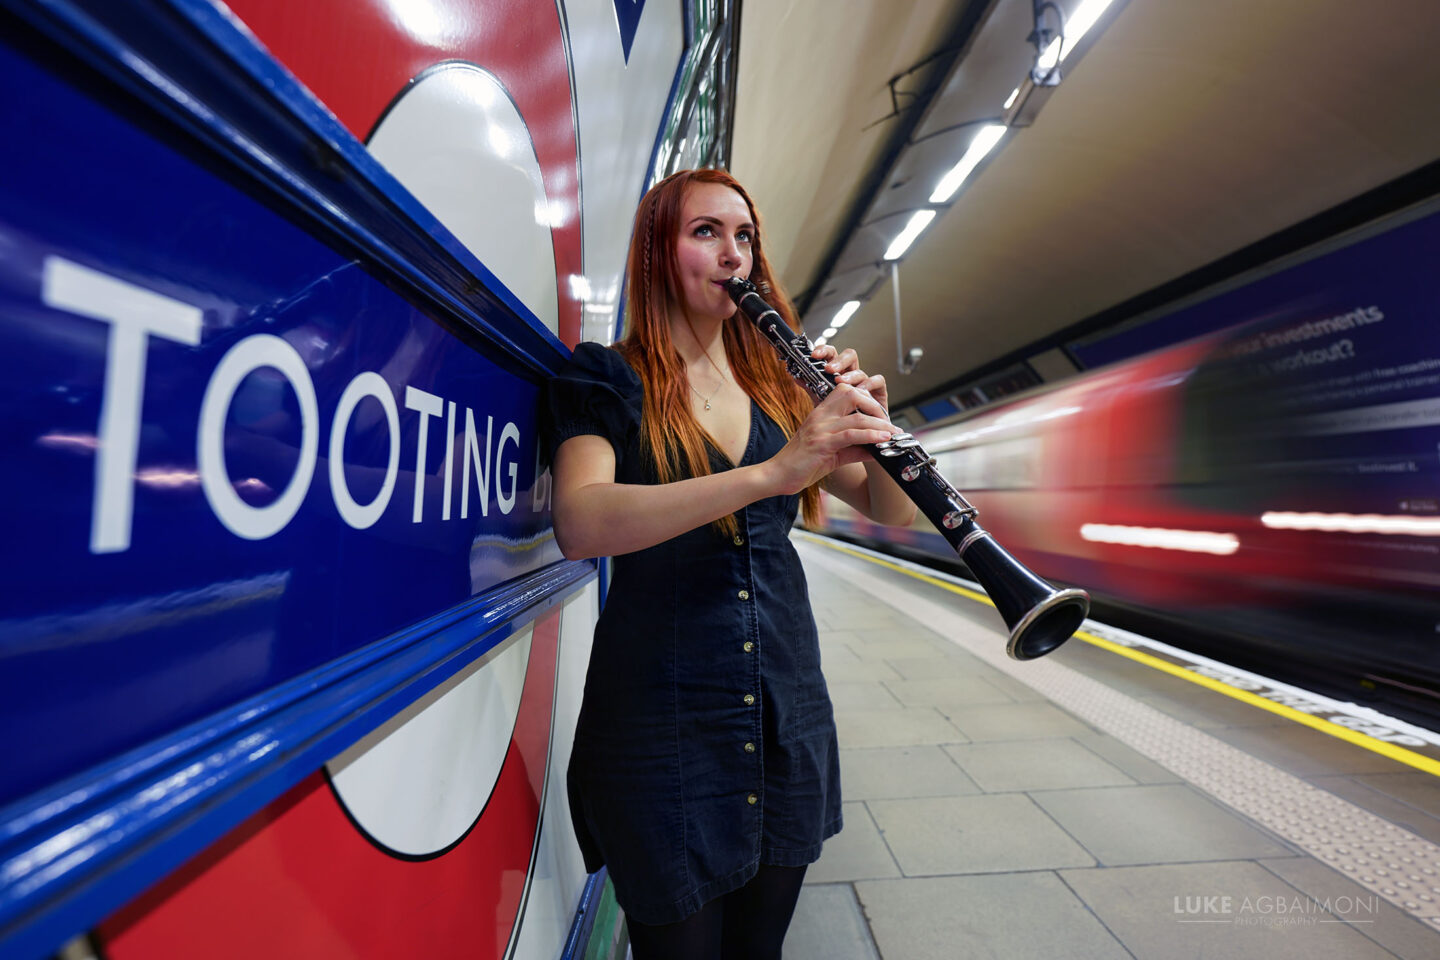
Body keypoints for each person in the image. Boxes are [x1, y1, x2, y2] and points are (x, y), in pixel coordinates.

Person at [541, 169, 915, 959]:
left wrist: (877, 431)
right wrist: (776, 473)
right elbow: (582, 521)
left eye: (744, 236)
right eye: (705, 232)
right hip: (661, 724)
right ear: (657, 253)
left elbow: (889, 509)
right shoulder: (606, 377)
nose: (733, 254)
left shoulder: (780, 385)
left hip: (786, 712)